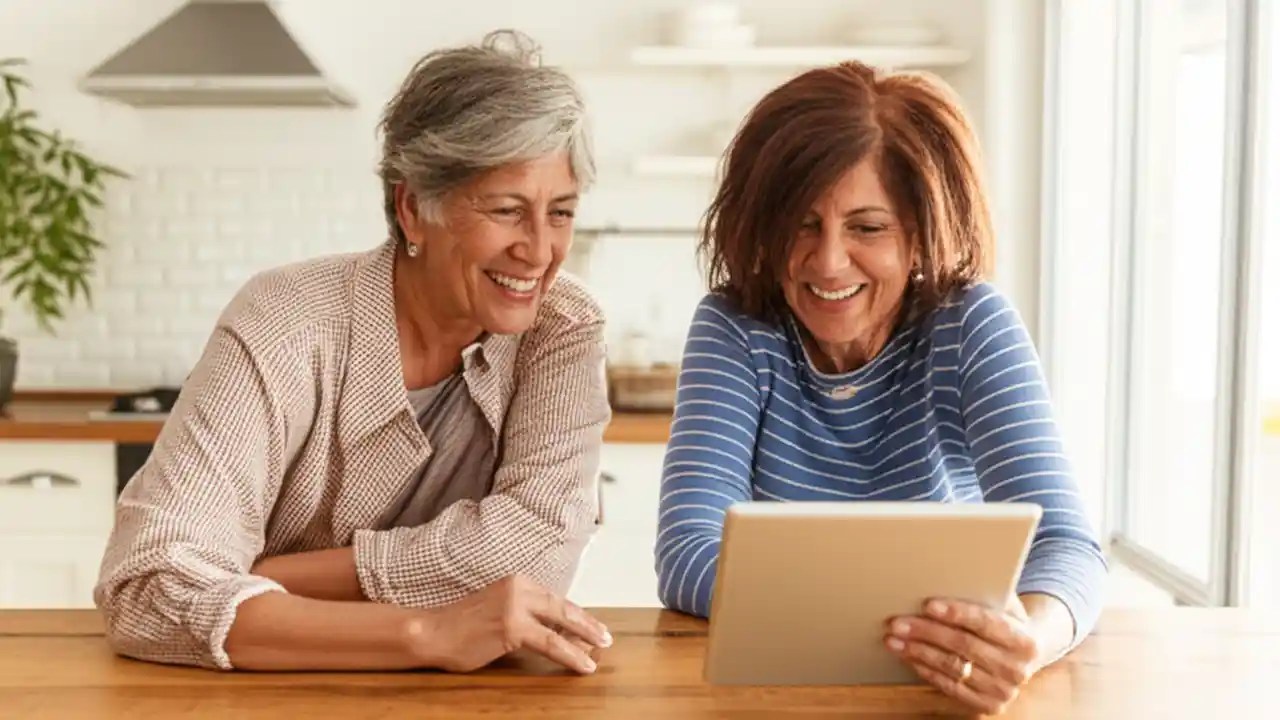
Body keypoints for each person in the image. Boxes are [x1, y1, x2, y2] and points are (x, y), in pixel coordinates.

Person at [96, 31, 613, 675]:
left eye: (560, 213)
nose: (538, 252)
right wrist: (427, 631)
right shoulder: (286, 320)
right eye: (508, 211)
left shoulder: (562, 326)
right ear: (412, 208)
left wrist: (267, 582)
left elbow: (536, 554)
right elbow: (148, 590)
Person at [654, 61, 1106, 715]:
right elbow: (687, 552)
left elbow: (1068, 546)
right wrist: (903, 616)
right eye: (802, 225)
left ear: (921, 234)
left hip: (939, 685)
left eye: (867, 228)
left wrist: (1025, 641)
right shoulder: (736, 330)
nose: (829, 260)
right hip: (779, 689)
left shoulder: (970, 324)